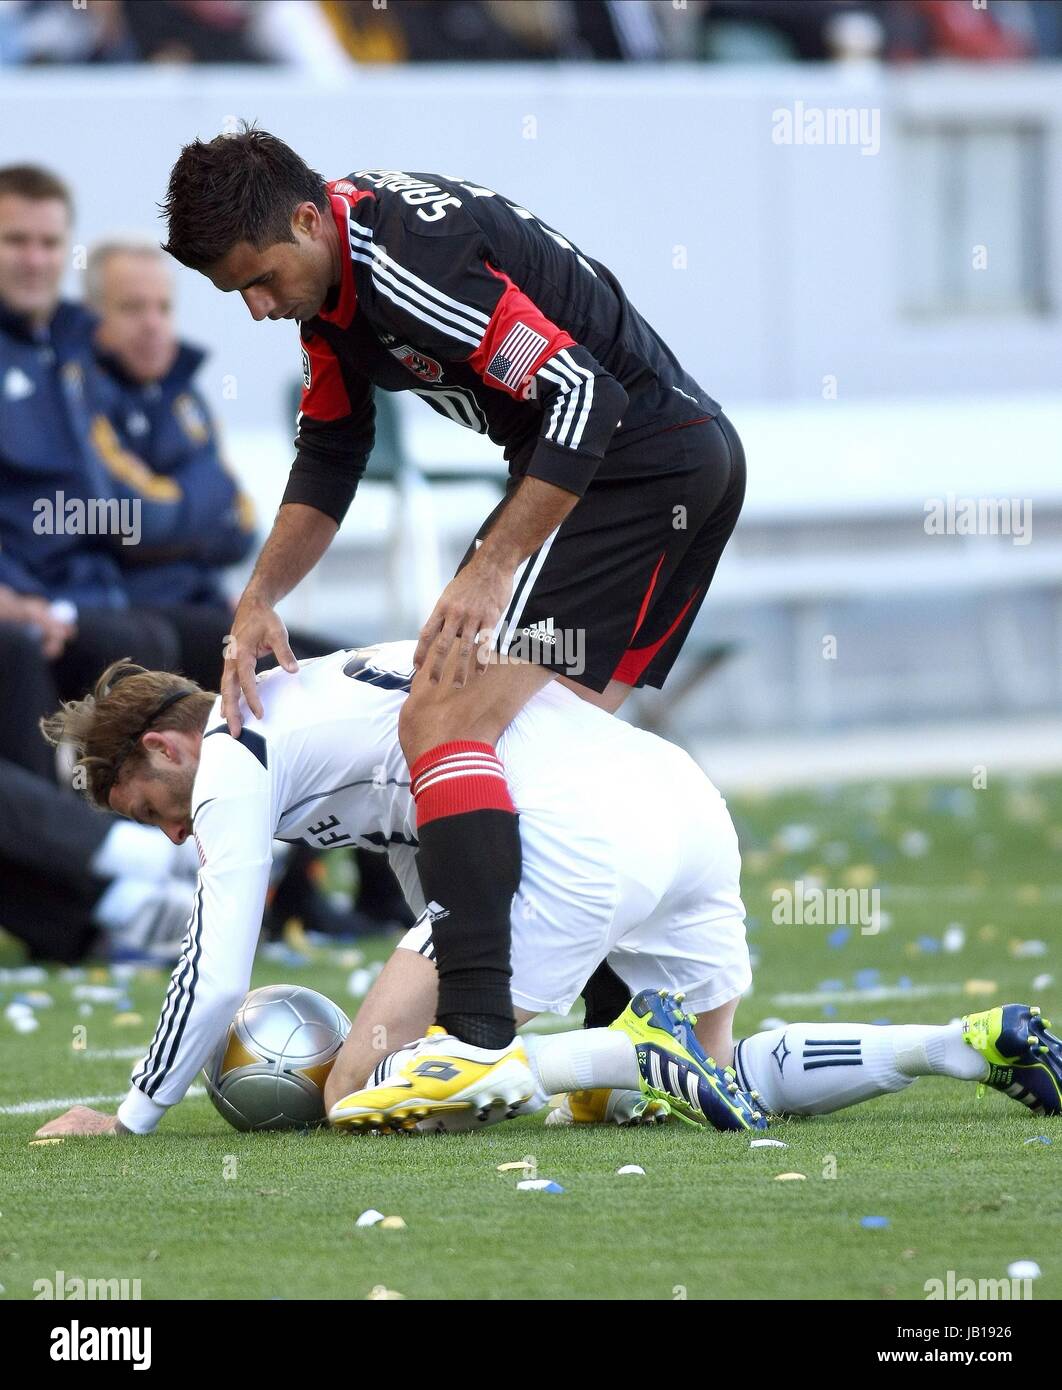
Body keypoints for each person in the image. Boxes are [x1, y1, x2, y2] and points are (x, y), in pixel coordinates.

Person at [157, 127, 748, 1120]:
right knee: (561, 758)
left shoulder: (397, 264)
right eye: (236, 295)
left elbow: (581, 398)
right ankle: (637, 1031)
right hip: (669, 465)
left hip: (629, 473)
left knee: (440, 714)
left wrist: (487, 569)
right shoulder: (333, 285)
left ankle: (475, 1034)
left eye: (260, 280)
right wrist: (259, 599)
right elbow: (332, 451)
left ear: (308, 220)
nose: (258, 306)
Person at [33, 643, 1060, 1138]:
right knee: (686, 1083)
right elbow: (416, 822)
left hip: (568, 834)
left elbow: (216, 968)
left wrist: (128, 1115)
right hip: (677, 803)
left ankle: (629, 1043)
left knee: (355, 1091)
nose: (171, 828)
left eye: (146, 804)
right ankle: (955, 1044)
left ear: (167, 744)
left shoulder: (227, 756)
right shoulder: (325, 691)